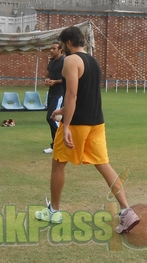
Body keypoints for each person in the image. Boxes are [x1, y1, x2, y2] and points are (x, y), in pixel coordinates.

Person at [35, 26, 140, 234]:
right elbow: (86, 95)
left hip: (77, 124)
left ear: (69, 43)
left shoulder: (70, 61)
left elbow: (72, 95)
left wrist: (65, 125)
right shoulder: (93, 61)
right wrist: (62, 110)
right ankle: (127, 211)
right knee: (104, 165)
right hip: (96, 123)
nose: (61, 49)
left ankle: (54, 211)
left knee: (58, 164)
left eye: (62, 44)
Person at [43, 41, 64, 154]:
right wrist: (47, 80)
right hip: (51, 93)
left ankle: (61, 143)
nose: (51, 50)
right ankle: (55, 145)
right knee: (54, 119)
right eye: (50, 48)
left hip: (59, 93)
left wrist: (55, 81)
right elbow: (47, 74)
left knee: (52, 118)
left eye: (54, 48)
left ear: (60, 50)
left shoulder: (64, 61)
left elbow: (67, 78)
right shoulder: (52, 62)